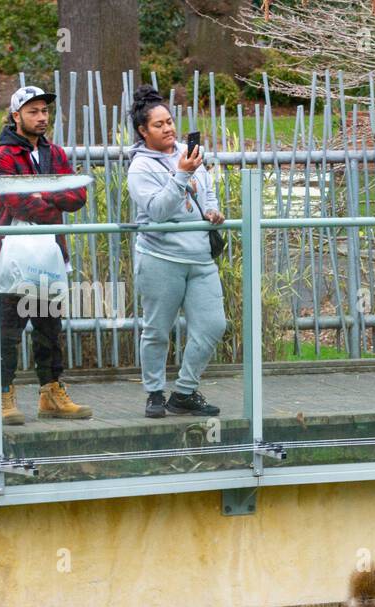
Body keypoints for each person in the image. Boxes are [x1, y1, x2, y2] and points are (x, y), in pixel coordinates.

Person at [126, 85, 227, 418]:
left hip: (200, 258)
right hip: (161, 258)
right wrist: (181, 174)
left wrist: (213, 212)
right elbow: (157, 211)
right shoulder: (140, 168)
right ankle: (154, 391)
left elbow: (207, 192)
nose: (168, 128)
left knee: (213, 326)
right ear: (143, 131)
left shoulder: (189, 151)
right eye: (159, 125)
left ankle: (184, 391)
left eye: (169, 121)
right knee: (157, 330)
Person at [0, 85, 92, 425]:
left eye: (45, 111)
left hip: (50, 251)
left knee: (49, 326)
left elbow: (78, 195)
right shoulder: (2, 154)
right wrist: (53, 198)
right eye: (33, 111)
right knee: (9, 327)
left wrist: (42, 198)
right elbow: (15, 200)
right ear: (16, 115)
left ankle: (51, 392)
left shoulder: (55, 153)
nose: (41, 117)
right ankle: (2, 395)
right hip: (14, 252)